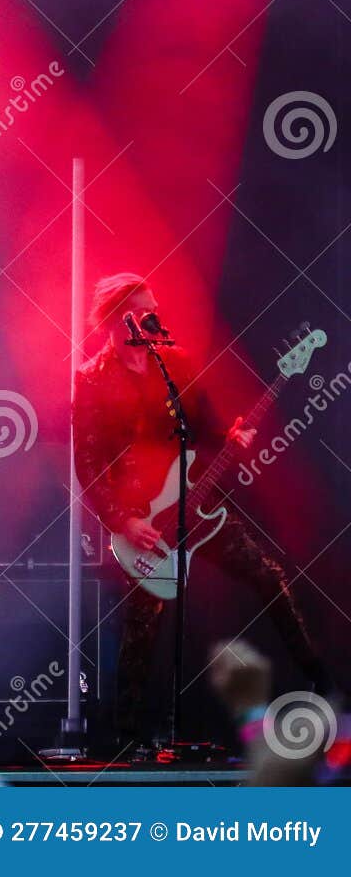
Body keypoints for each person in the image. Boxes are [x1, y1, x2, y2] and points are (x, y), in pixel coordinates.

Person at [72, 273, 328, 748]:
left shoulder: (175, 364)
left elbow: (208, 430)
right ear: (114, 318)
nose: (153, 317)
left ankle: (320, 677)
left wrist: (233, 436)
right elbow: (86, 462)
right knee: (142, 626)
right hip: (143, 518)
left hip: (198, 504)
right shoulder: (91, 379)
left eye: (155, 308)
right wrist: (123, 521)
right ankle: (126, 740)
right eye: (142, 309)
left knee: (267, 574)